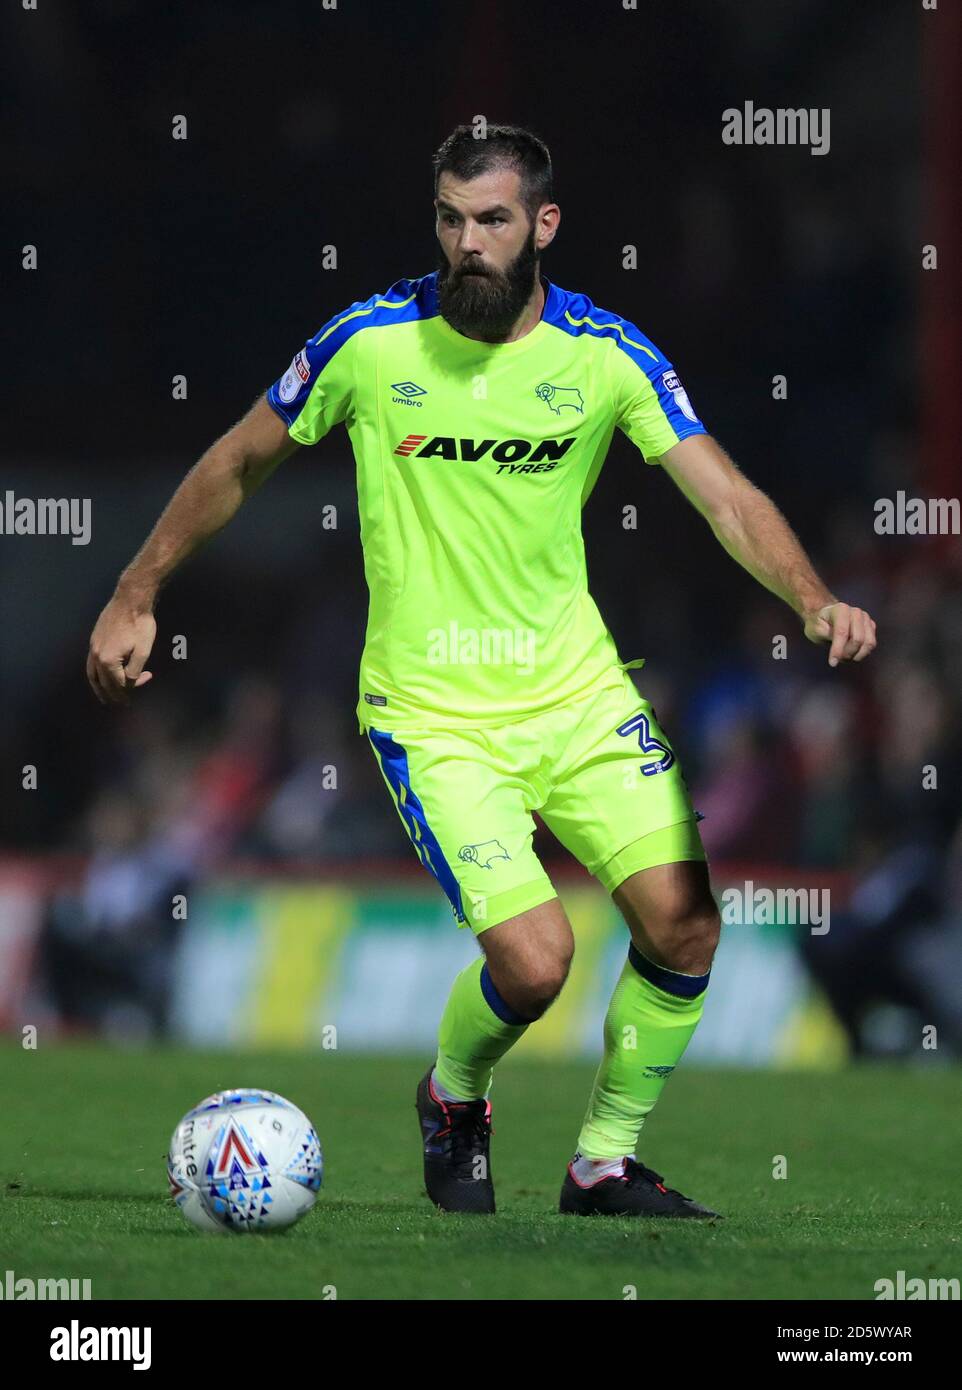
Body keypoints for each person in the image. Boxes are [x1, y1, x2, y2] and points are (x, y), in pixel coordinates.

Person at [87, 123, 877, 1219]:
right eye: (452, 220)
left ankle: (600, 1163)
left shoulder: (606, 355)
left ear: (541, 225)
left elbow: (725, 494)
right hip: (433, 716)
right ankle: (453, 1093)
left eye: (493, 220)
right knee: (539, 959)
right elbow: (238, 459)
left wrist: (812, 598)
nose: (469, 243)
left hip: (579, 697)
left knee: (686, 922)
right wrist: (137, 590)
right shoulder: (368, 344)